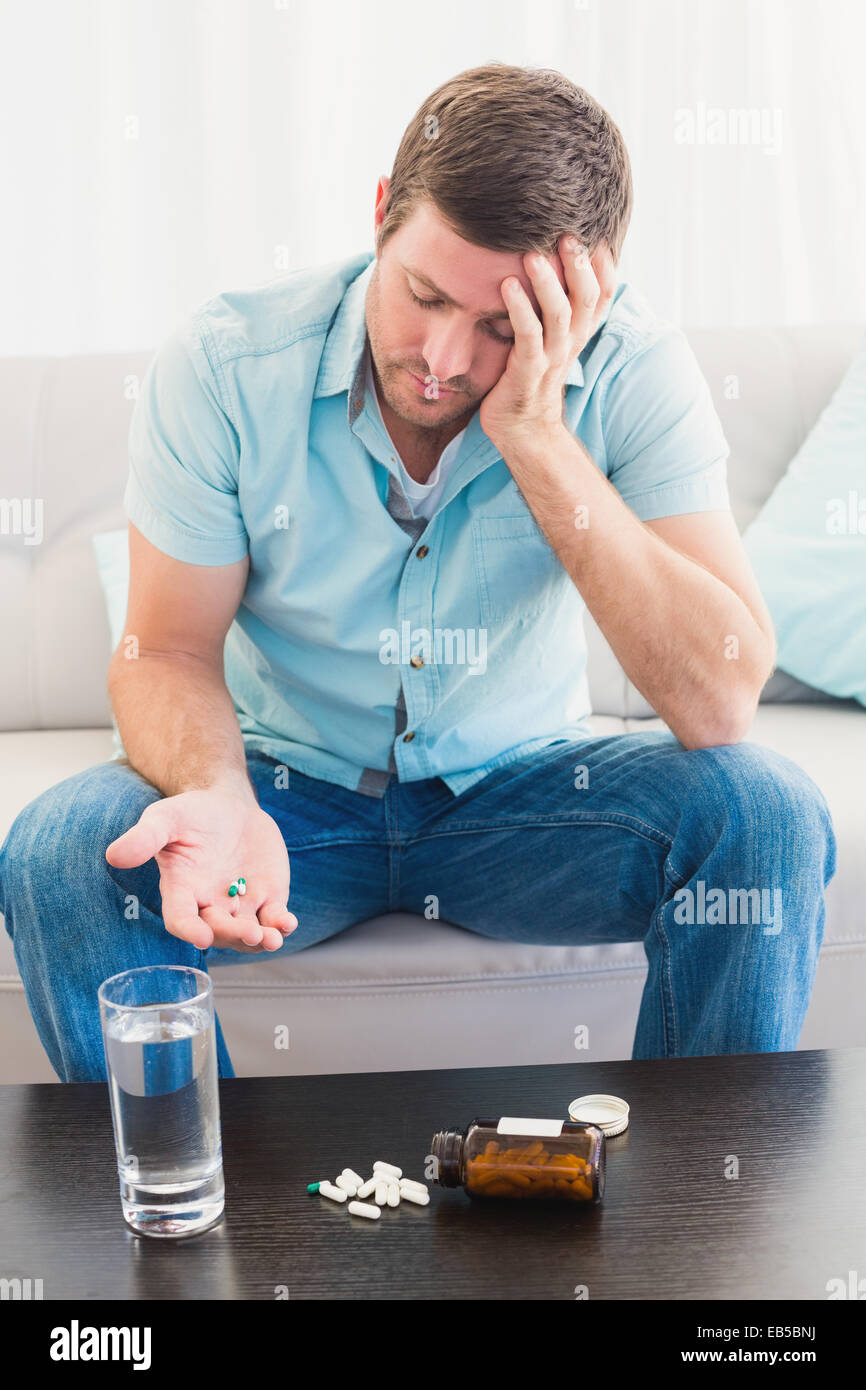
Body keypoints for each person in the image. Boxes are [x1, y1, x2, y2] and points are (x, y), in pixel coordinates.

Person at [0, 63, 835, 1082]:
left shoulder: (631, 369)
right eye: (422, 294)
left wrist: (532, 431)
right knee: (61, 850)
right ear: (383, 215)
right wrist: (218, 794)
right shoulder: (226, 363)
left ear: (579, 298)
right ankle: (214, 1227)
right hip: (283, 794)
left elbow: (717, 703)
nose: (440, 357)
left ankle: (692, 1227)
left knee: (764, 811)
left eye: (498, 327)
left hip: (525, 797)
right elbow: (164, 649)